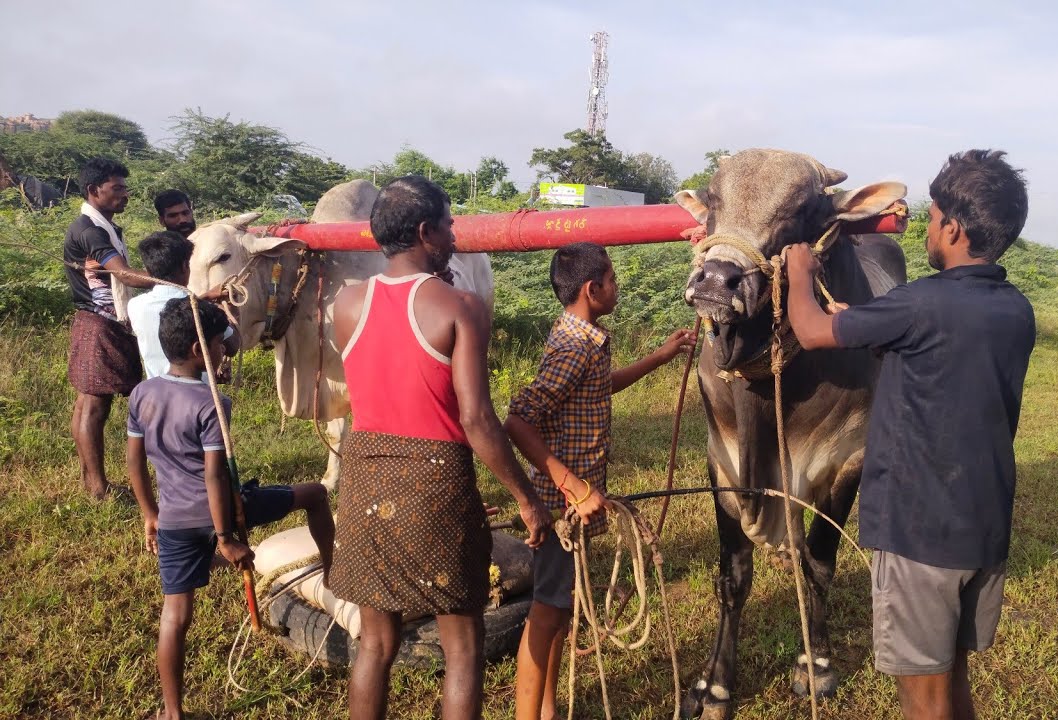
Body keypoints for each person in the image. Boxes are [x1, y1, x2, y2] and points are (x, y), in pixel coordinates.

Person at [784, 149, 1035, 720]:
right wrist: (872, 323)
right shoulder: (1015, 309)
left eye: (933, 215)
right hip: (983, 527)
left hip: (921, 532)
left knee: (922, 697)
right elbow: (937, 349)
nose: (925, 227)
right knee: (954, 678)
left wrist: (800, 274)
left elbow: (811, 329)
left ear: (952, 227)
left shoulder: (918, 302)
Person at [327, 175, 552, 720]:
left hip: (365, 482)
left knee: (376, 644)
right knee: (463, 647)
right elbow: (476, 419)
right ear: (426, 231)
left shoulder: (346, 306)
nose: (455, 233)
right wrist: (526, 498)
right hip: (435, 481)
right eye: (448, 223)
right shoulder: (462, 307)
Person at [505, 242, 696, 720]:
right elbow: (519, 420)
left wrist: (661, 356)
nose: (618, 286)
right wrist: (574, 485)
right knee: (546, 615)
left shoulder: (584, 338)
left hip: (577, 505)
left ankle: (548, 708)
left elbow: (599, 384)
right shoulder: (573, 347)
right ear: (593, 289)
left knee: (562, 612)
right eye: (612, 279)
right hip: (560, 509)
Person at [126, 298, 334, 720]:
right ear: (197, 351)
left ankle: (171, 714)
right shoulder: (212, 403)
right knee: (315, 494)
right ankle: (335, 577)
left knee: (175, 616)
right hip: (223, 512)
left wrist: (150, 512)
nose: (225, 349)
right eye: (220, 343)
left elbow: (134, 460)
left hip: (173, 522)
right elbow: (215, 478)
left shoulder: (142, 393)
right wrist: (225, 539)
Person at [64, 156, 154, 500]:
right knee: (93, 405)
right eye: (116, 188)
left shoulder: (106, 227)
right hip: (97, 322)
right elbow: (124, 274)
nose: (124, 194)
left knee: (89, 403)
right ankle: (98, 489)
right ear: (93, 191)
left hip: (108, 321)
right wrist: (175, 283)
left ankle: (93, 482)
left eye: (125, 187)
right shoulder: (90, 231)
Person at [128, 231, 237, 379]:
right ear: (185, 266)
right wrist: (229, 308)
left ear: (147, 270)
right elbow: (232, 346)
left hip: (158, 390)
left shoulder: (135, 306)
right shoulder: (204, 310)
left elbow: (174, 305)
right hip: (197, 394)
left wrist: (205, 298)